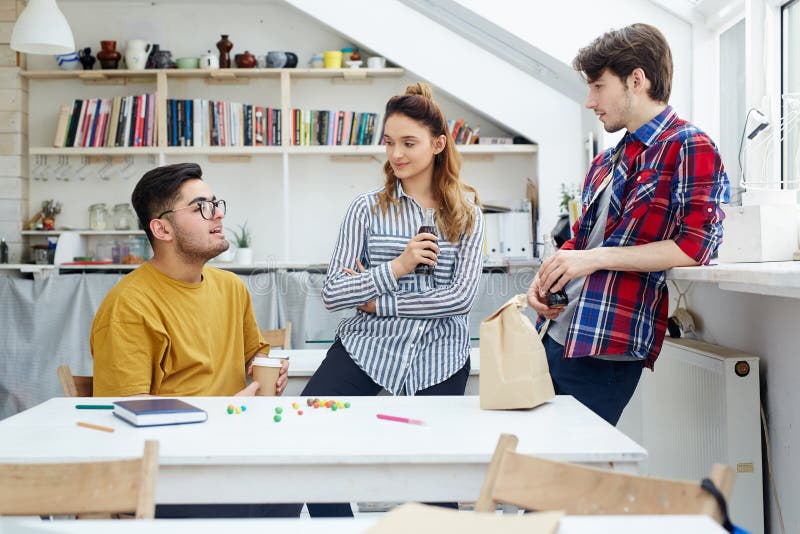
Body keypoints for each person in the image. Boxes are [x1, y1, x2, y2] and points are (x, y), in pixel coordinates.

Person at [527, 23, 729, 426]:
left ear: (636, 80)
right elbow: (581, 242)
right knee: (534, 461)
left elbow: (696, 247)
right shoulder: (607, 161)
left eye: (598, 86)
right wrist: (547, 276)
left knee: (574, 463)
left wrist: (595, 258)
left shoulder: (689, 146)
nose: (590, 101)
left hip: (605, 343)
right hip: (554, 333)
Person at [301, 83, 484, 517]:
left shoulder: (468, 216)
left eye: (408, 143)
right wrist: (397, 267)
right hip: (366, 347)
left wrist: (378, 300)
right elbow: (333, 292)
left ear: (438, 145)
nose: (396, 154)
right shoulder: (365, 209)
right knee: (307, 438)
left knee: (434, 485)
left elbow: (460, 299)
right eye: (389, 142)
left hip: (439, 356)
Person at [91, 162, 290, 517]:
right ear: (162, 228)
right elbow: (127, 409)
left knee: (310, 478)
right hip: (172, 471)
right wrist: (224, 411)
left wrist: (269, 370)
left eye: (215, 203)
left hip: (235, 452)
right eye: (200, 208)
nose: (217, 215)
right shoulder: (129, 305)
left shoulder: (231, 288)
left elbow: (255, 356)